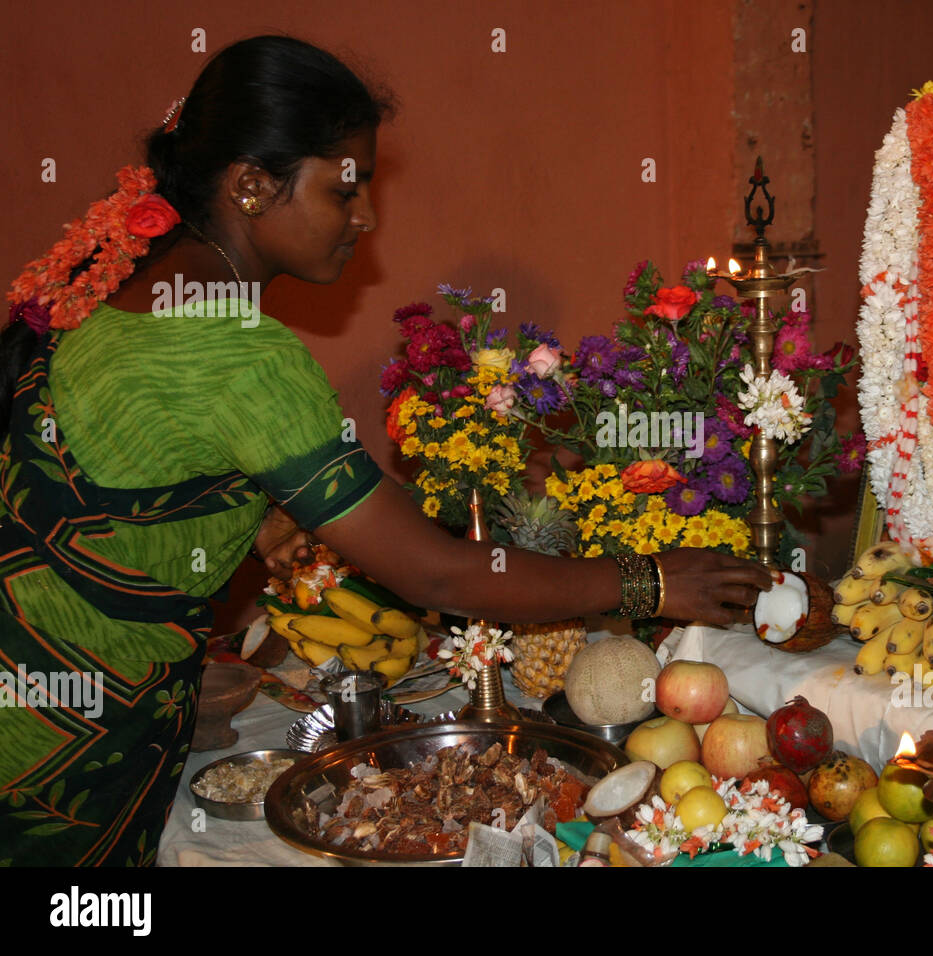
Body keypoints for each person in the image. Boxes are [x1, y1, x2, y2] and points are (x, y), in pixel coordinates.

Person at [0, 35, 773, 866]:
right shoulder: (240, 350)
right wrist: (655, 579)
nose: (366, 215)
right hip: (69, 744)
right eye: (345, 186)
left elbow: (128, 472)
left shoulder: (124, 283)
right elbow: (437, 575)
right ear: (253, 186)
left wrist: (259, 525)